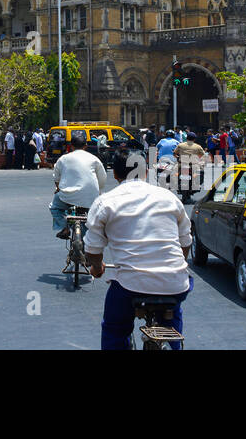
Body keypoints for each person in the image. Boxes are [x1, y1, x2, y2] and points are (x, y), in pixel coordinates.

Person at [84, 176, 193, 350]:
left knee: (115, 329)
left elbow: (92, 248)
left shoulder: (106, 201)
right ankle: (174, 345)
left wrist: (97, 268)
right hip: (175, 283)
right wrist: (174, 268)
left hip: (129, 286)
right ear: (145, 174)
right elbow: (185, 243)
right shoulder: (169, 197)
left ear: (116, 175)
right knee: (172, 314)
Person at [51, 131, 107, 236]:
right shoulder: (94, 159)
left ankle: (64, 227)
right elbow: (102, 179)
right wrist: (98, 190)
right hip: (90, 197)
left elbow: (56, 179)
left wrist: (58, 189)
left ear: (71, 146)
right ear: (85, 146)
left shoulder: (63, 159)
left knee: (54, 207)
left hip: (67, 196)